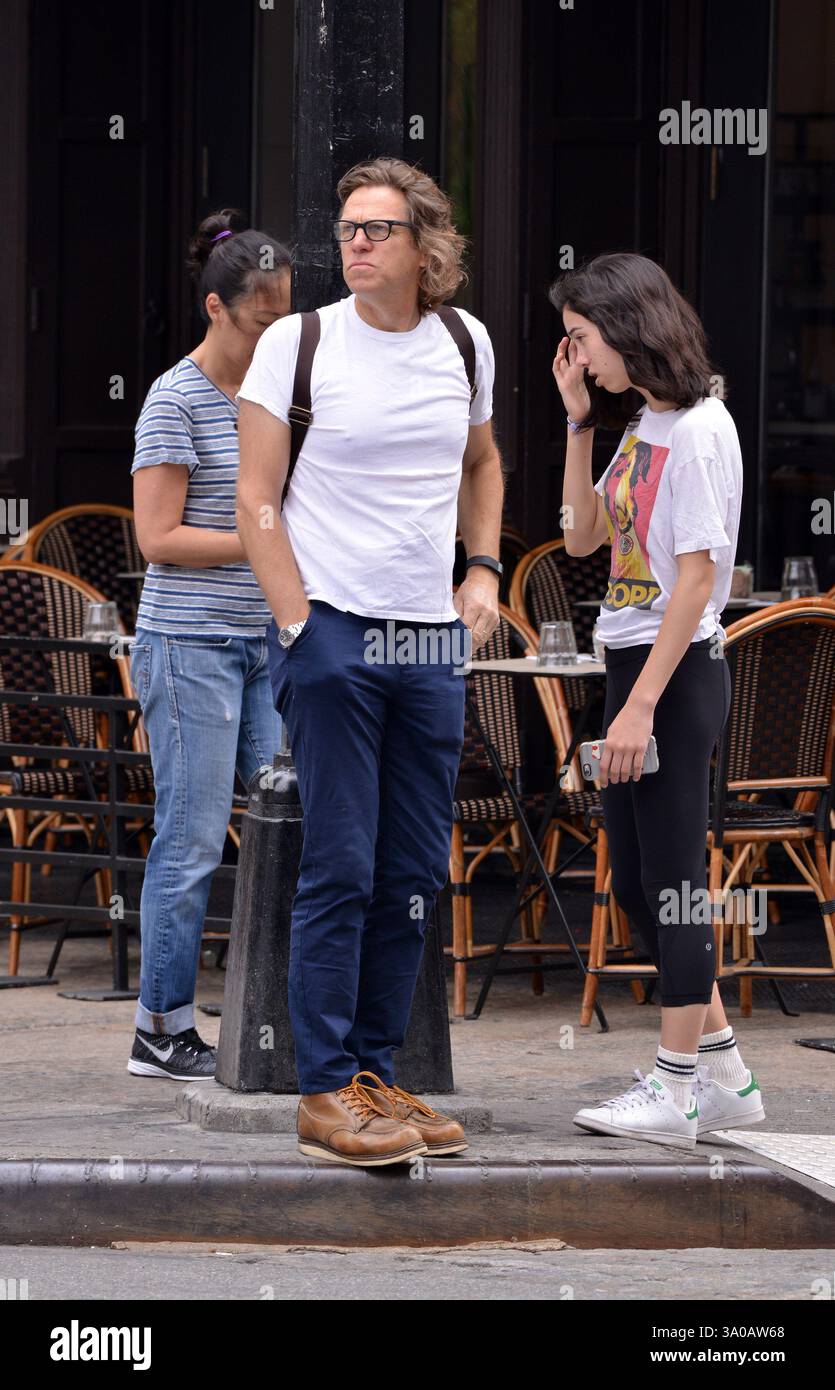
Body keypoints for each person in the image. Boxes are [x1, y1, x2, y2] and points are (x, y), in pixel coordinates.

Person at [236, 156, 503, 1166]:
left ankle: (373, 1075)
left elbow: (482, 461)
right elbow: (256, 498)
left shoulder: (464, 341)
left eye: (376, 228)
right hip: (333, 628)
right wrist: (297, 624)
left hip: (427, 637)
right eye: (347, 226)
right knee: (342, 863)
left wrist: (482, 569)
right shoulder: (297, 345)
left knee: (411, 870)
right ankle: (320, 1091)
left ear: (424, 247)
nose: (353, 242)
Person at [550, 252, 764, 1149]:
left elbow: (696, 580)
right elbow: (580, 539)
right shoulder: (646, 424)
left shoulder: (702, 429)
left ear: (624, 327)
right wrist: (577, 423)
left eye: (581, 337)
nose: (576, 354)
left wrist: (639, 707)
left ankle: (676, 1092)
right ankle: (725, 1078)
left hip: (670, 676)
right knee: (640, 882)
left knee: (674, 886)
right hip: (631, 665)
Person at [127, 210, 292, 1081]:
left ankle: (276, 1020)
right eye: (261, 322)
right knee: (191, 842)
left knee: (289, 827)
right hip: (189, 644)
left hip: (268, 642)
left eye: (283, 321)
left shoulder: (273, 401)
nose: (274, 338)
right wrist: (263, 543)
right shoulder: (175, 397)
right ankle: (160, 1028)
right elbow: (157, 537)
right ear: (216, 308)